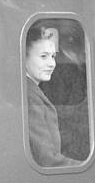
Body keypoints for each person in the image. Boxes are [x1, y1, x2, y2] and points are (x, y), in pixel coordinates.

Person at [24, 23, 81, 167]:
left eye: (53, 56)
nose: (52, 64)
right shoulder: (29, 97)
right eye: (43, 56)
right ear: (23, 58)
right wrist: (94, 170)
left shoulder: (31, 91)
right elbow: (47, 159)